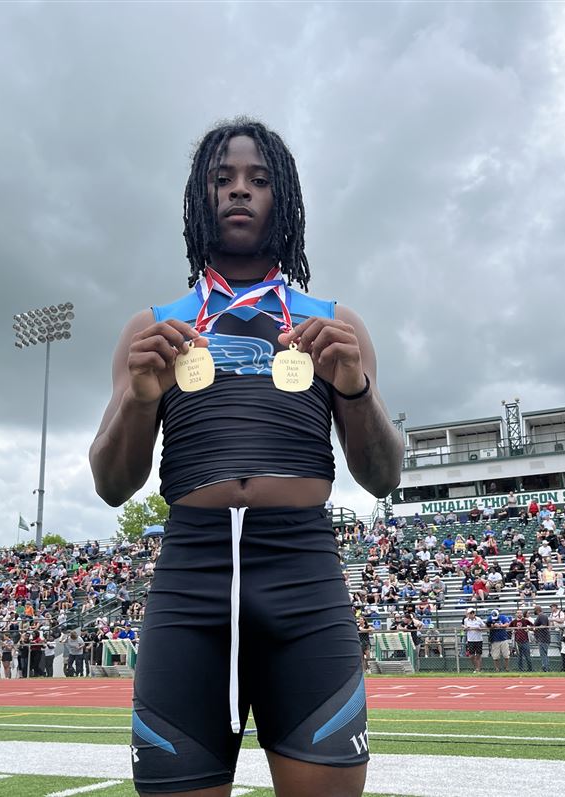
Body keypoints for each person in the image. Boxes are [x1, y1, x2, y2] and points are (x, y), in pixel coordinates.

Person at [89, 118, 403, 797]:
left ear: (283, 199)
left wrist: (356, 386)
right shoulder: (154, 328)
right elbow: (113, 484)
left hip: (303, 577)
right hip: (189, 577)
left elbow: (383, 474)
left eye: (259, 180)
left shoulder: (333, 324)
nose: (239, 190)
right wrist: (139, 399)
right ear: (198, 200)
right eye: (222, 178)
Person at [463, 608, 486, 673]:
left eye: (472, 613)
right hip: (470, 640)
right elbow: (464, 628)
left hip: (478, 639)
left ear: (474, 613)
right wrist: (466, 628)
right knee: (471, 656)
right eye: (470, 613)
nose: (471, 614)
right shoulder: (466, 620)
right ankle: (476, 668)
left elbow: (484, 627)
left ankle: (478, 669)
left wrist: (479, 629)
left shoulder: (479, 619)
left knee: (478, 655)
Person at [532, 605, 551, 671]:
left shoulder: (542, 616)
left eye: (534, 610)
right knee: (544, 654)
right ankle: (546, 667)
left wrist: (536, 628)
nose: (533, 611)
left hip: (543, 638)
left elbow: (544, 625)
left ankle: (546, 668)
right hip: (542, 638)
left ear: (537, 610)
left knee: (543, 654)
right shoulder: (541, 616)